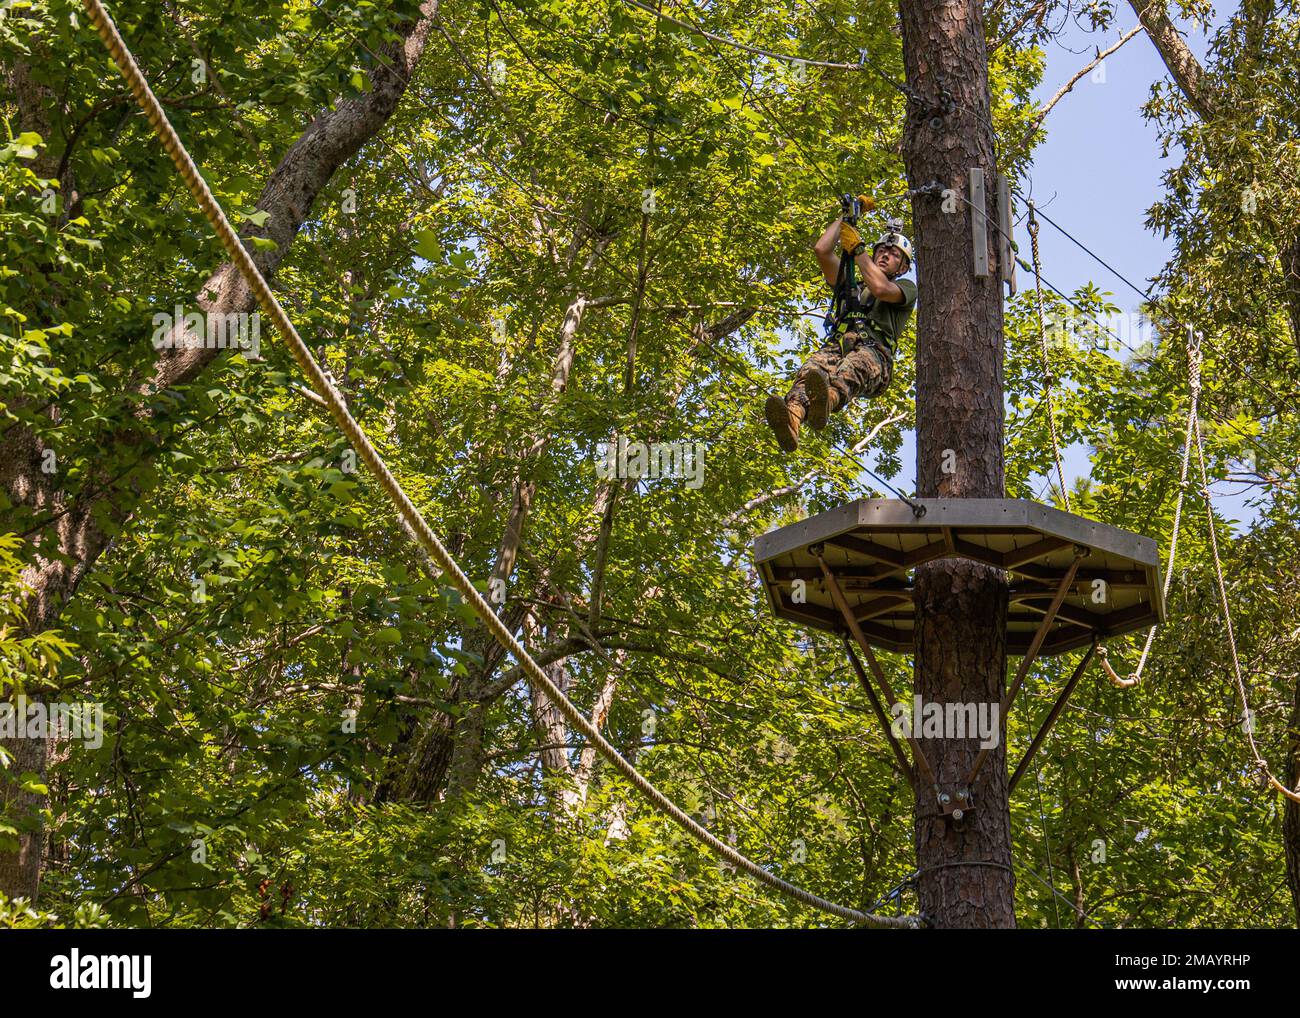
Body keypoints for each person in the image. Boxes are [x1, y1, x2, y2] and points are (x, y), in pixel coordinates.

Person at [765, 214, 917, 452]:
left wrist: (858, 250)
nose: (886, 255)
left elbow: (880, 288)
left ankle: (828, 400)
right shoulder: (853, 286)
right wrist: (845, 220)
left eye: (895, 254)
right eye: (881, 251)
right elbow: (822, 251)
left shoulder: (906, 288)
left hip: (875, 354)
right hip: (837, 346)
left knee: (853, 368)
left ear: (903, 267)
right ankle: (793, 418)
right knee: (811, 370)